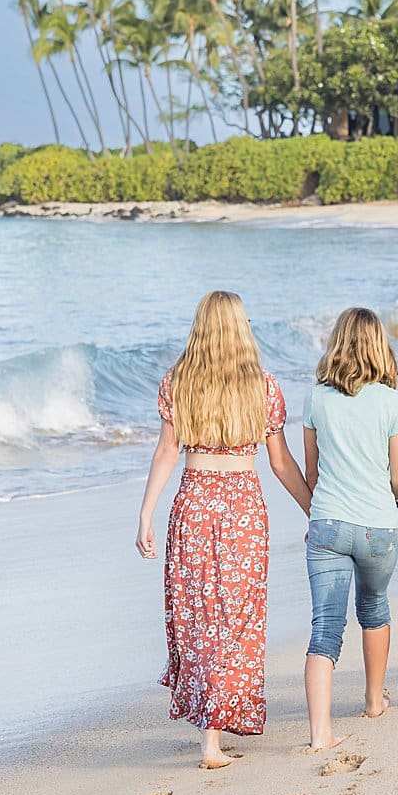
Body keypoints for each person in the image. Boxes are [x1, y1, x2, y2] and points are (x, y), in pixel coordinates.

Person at [135, 290, 312, 769]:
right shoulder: (264, 387)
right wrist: (313, 510)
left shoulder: (178, 383)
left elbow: (167, 454)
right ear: (241, 328)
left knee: (200, 616)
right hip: (242, 510)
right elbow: (281, 462)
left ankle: (209, 728)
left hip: (193, 504)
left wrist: (146, 514)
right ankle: (214, 734)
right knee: (237, 617)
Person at [301, 308, 398, 751]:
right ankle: (372, 700)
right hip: (377, 527)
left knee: (325, 626)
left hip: (327, 523)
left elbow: (312, 473)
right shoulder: (392, 402)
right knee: (374, 607)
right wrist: (394, 490)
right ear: (379, 348)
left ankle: (319, 733)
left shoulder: (317, 399)